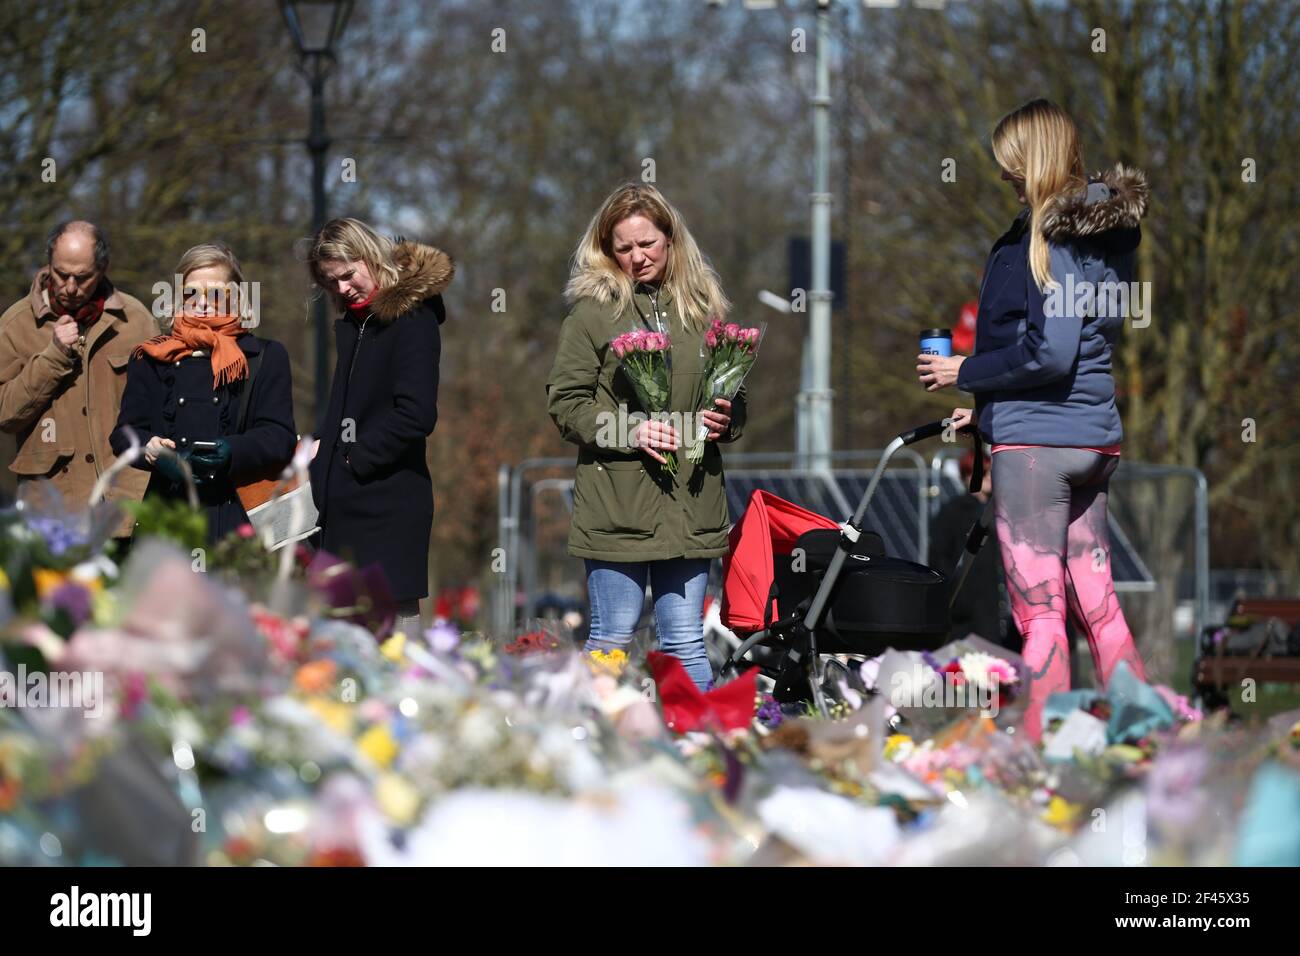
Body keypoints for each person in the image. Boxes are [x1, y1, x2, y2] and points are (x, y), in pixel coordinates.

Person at [917, 98, 1149, 740]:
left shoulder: (1054, 236)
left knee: (1041, 613)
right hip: (1091, 440)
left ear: (1035, 159)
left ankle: (1045, 748)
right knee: (1098, 606)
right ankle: (1141, 731)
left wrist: (965, 371)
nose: (1004, 177)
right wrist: (988, 407)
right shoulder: (1107, 236)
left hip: (1036, 452)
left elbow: (1050, 350)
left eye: (1010, 164)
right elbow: (1075, 353)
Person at [546, 183, 747, 690]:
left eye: (647, 244)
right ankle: (584, 747)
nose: (636, 257)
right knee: (612, 636)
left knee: (684, 640)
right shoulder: (592, 314)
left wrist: (730, 417)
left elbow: (732, 398)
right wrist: (631, 431)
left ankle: (700, 753)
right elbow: (566, 405)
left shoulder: (702, 311)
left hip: (692, 504)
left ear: (671, 240)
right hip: (618, 506)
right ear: (607, 250)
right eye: (623, 248)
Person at [306, 218, 454, 640]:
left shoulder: (412, 320)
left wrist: (355, 458)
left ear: (370, 257)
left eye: (348, 274)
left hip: (387, 507)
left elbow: (416, 413)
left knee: (393, 648)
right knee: (339, 652)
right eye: (332, 281)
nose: (342, 288)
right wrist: (322, 447)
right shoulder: (355, 325)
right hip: (341, 509)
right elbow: (347, 409)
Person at [111, 242, 296, 542]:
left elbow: (279, 435)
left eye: (215, 294)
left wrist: (231, 451)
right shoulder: (151, 358)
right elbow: (124, 434)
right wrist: (151, 449)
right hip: (167, 519)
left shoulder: (265, 356)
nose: (202, 303)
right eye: (191, 293)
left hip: (239, 519)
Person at [0, 221, 157, 540]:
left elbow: (162, 409)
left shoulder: (137, 321)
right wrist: (54, 355)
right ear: (48, 264)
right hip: (52, 517)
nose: (70, 287)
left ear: (102, 269)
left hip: (128, 508)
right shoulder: (15, 326)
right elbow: (5, 414)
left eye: (82, 277)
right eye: (60, 274)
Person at [928, 449, 1020, 653]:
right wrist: (958, 597)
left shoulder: (999, 510)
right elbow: (938, 558)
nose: (989, 479)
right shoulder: (953, 512)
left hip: (994, 604)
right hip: (966, 611)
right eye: (984, 473)